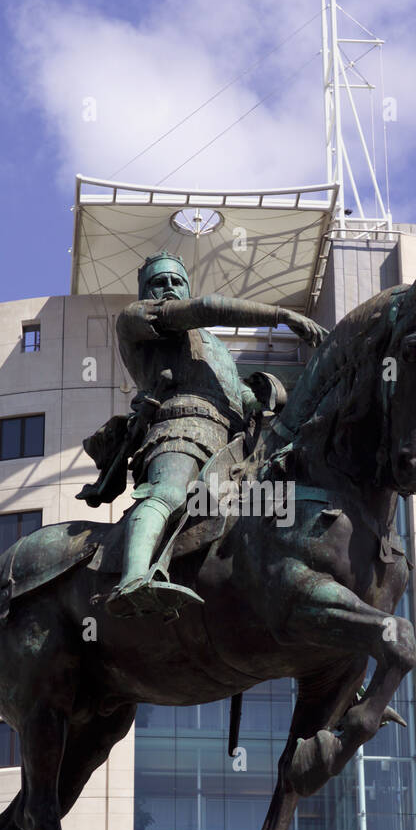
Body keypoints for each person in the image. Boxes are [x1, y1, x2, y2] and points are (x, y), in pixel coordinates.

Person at [78, 251, 325, 617]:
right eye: (158, 282)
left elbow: (238, 396)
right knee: (169, 494)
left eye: (177, 281)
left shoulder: (215, 347)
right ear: (145, 290)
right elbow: (208, 308)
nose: (169, 288)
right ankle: (132, 582)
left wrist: (272, 397)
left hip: (231, 447)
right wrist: (282, 315)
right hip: (177, 432)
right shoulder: (137, 318)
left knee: (279, 505)